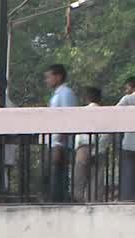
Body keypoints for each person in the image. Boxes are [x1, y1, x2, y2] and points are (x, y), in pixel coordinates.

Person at [42, 64, 78, 203]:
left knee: (57, 180)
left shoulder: (66, 94)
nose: (47, 80)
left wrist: (59, 144)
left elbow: (66, 119)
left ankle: (58, 206)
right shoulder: (58, 94)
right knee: (51, 179)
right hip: (54, 143)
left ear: (58, 77)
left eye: (49, 77)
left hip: (60, 145)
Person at [73, 86, 111, 202]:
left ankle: (78, 203)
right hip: (99, 148)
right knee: (96, 181)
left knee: (79, 181)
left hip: (83, 147)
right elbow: (107, 134)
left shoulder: (81, 113)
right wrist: (98, 148)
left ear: (86, 99)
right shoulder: (106, 114)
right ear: (100, 99)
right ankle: (94, 204)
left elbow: (79, 133)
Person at [118, 77, 135, 202]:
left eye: (128, 88)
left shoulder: (128, 99)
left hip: (129, 144)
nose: (126, 91)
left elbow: (113, 115)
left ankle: (127, 202)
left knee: (128, 175)